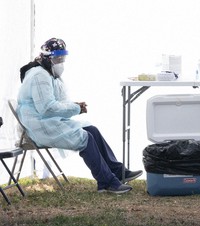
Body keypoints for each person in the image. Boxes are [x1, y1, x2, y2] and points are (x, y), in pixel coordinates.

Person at [17, 38, 142, 194]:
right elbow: (47, 108)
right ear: (47, 57)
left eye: (63, 58)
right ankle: (106, 183)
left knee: (92, 130)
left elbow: (55, 102)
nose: (60, 62)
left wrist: (75, 106)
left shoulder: (48, 74)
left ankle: (117, 172)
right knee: (85, 138)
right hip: (37, 126)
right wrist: (75, 108)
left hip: (46, 120)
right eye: (57, 58)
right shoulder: (39, 76)